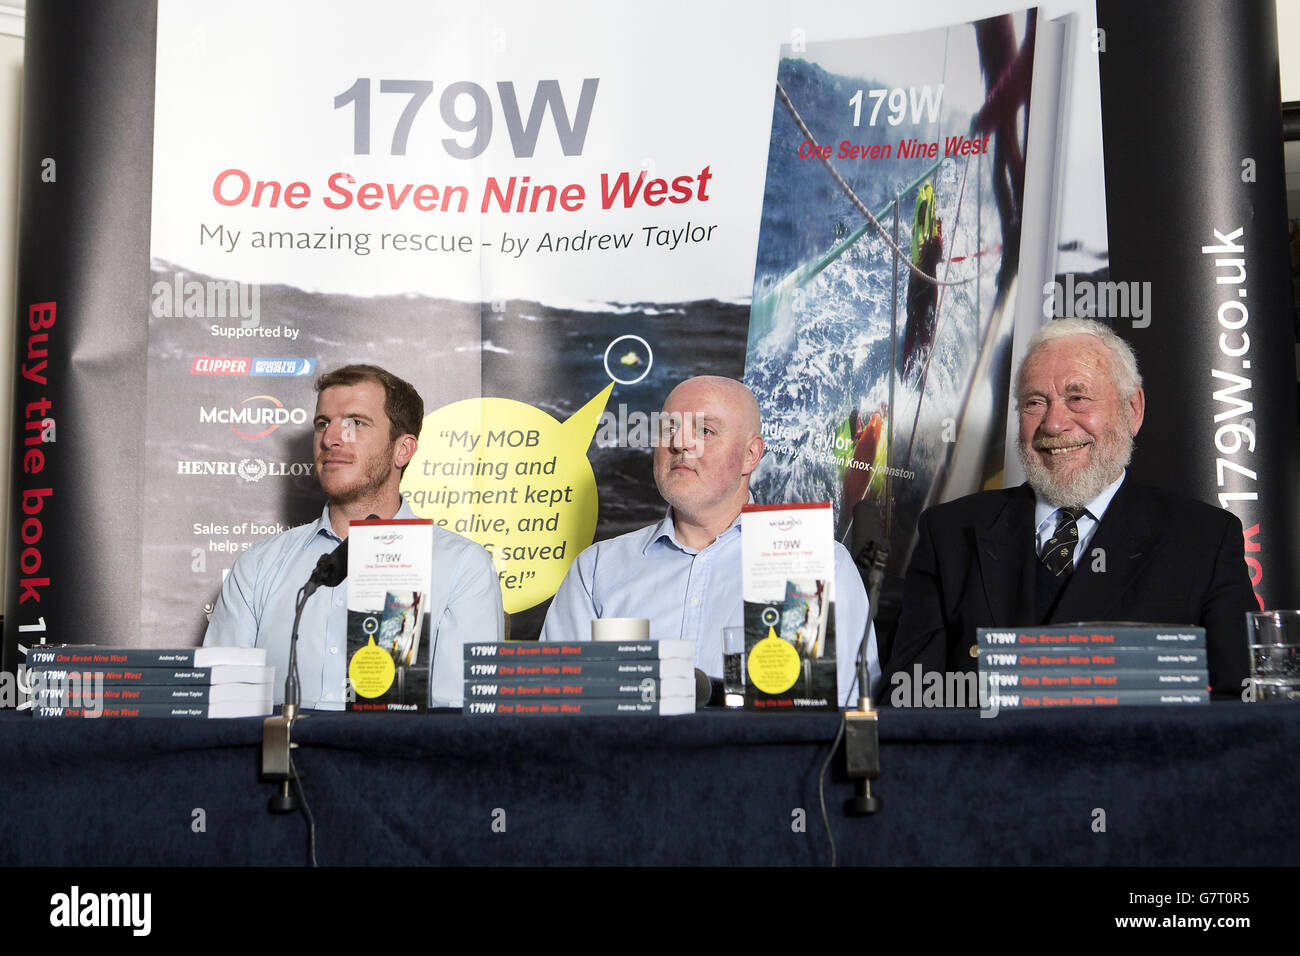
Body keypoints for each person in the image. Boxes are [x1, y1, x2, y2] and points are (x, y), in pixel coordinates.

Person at [884, 318, 1254, 700]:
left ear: (1133, 410)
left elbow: (1245, 712)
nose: (1054, 423)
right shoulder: (949, 535)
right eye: (1034, 402)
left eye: (1077, 398)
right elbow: (907, 703)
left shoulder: (1203, 541)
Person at [540, 376, 880, 703]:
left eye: (704, 430)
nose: (680, 442)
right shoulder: (598, 570)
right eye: (669, 428)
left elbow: (844, 719)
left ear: (751, 455)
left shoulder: (815, 563)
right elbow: (556, 705)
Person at [204, 364, 503, 709]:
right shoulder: (258, 566)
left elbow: (465, 722)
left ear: (402, 450)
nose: (331, 438)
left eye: (355, 423)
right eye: (322, 423)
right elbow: (220, 709)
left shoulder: (462, 566)